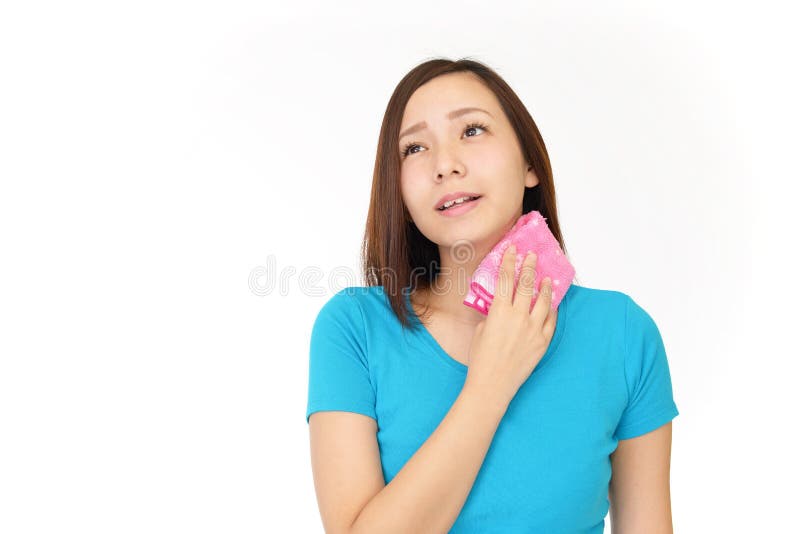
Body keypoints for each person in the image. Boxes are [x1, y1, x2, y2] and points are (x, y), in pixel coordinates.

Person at [306, 58, 679, 533]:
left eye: (472, 131)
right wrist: (489, 386)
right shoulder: (354, 329)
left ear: (529, 164)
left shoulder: (622, 333)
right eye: (415, 148)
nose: (445, 165)